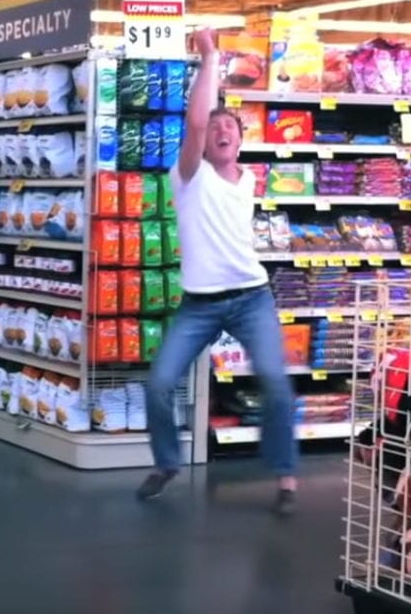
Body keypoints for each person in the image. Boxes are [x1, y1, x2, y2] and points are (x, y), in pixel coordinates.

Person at [136, 27, 299, 516]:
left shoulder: (248, 177)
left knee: (274, 381)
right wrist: (210, 58)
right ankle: (166, 462)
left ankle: (286, 477)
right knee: (158, 384)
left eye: (232, 127)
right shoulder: (188, 176)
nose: (222, 131)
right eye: (215, 129)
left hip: (252, 297)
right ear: (204, 143)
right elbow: (195, 120)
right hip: (199, 304)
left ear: (241, 141)